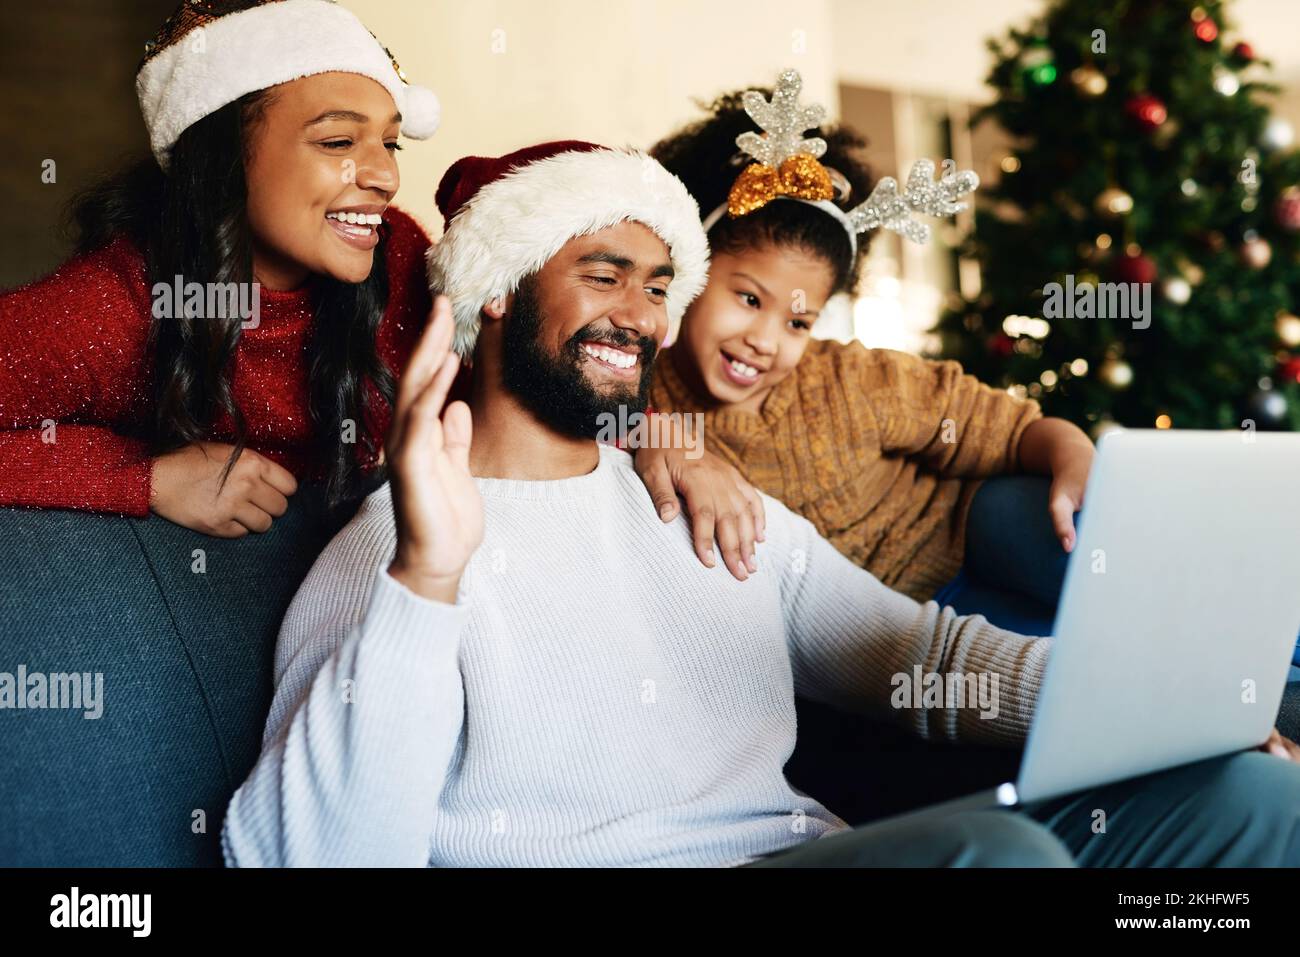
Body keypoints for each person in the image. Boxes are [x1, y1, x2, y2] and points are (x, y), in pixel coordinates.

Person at [222, 140, 1300, 868]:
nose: (638, 315)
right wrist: (429, 580)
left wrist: (1172, 704)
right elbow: (304, 856)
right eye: (603, 273)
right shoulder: (393, 550)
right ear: (498, 287)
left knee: (1246, 802)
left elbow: (914, 658)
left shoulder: (699, 500)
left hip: (797, 851)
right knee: (1000, 860)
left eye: (658, 286)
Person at [0, 0, 761, 575]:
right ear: (225, 156)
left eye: (389, 142)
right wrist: (145, 478)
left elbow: (528, 365)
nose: (386, 174)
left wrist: (667, 437)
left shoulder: (396, 258)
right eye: (338, 142)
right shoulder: (116, 303)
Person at [648, 70, 1096, 636]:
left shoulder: (851, 378)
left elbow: (1004, 429)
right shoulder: (645, 388)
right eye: (747, 298)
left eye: (797, 321)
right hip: (878, 632)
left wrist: (1073, 451)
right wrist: (668, 443)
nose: (765, 339)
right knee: (1046, 664)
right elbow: (612, 423)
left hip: (967, 539)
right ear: (694, 271)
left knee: (1086, 564)